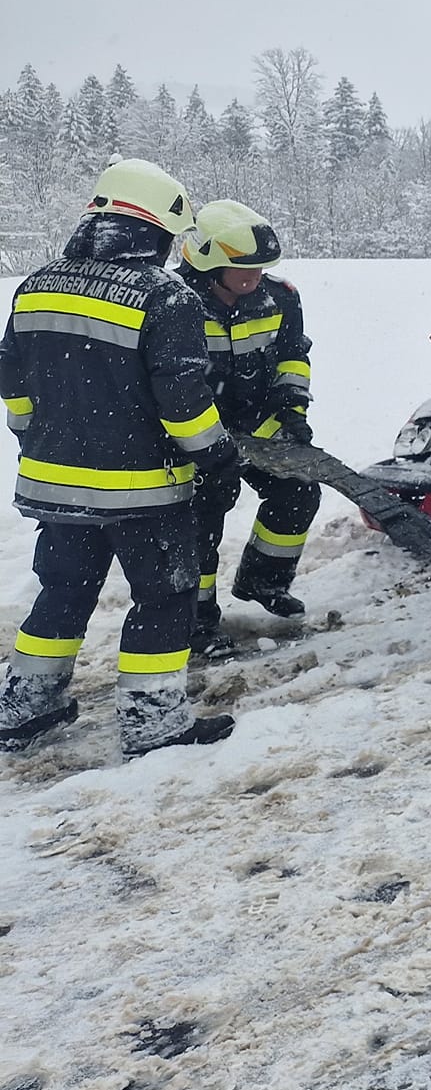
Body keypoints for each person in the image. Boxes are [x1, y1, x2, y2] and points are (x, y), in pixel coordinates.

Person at [0, 160, 237, 756]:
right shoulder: (166, 298)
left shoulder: (36, 284)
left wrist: (38, 439)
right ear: (156, 229)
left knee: (63, 592)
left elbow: (12, 381)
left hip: (54, 485)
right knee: (162, 599)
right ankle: (154, 725)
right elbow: (184, 403)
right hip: (143, 492)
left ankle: (26, 705)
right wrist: (216, 457)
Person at [174, 201, 320, 660]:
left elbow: (293, 354)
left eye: (262, 267)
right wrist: (202, 444)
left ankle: (264, 580)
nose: (256, 276)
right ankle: (196, 620)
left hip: (260, 425)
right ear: (210, 264)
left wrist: (292, 406)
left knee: (299, 491)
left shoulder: (281, 297)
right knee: (201, 520)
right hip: (195, 435)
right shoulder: (174, 303)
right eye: (246, 269)